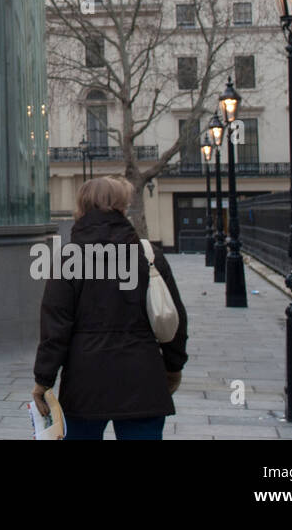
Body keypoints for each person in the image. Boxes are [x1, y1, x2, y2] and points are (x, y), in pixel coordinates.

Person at [32, 175, 189, 441]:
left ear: (81, 207)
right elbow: (174, 318)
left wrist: (43, 379)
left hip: (85, 382)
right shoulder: (148, 255)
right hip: (142, 378)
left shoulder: (69, 259)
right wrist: (173, 366)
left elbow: (55, 327)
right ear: (123, 207)